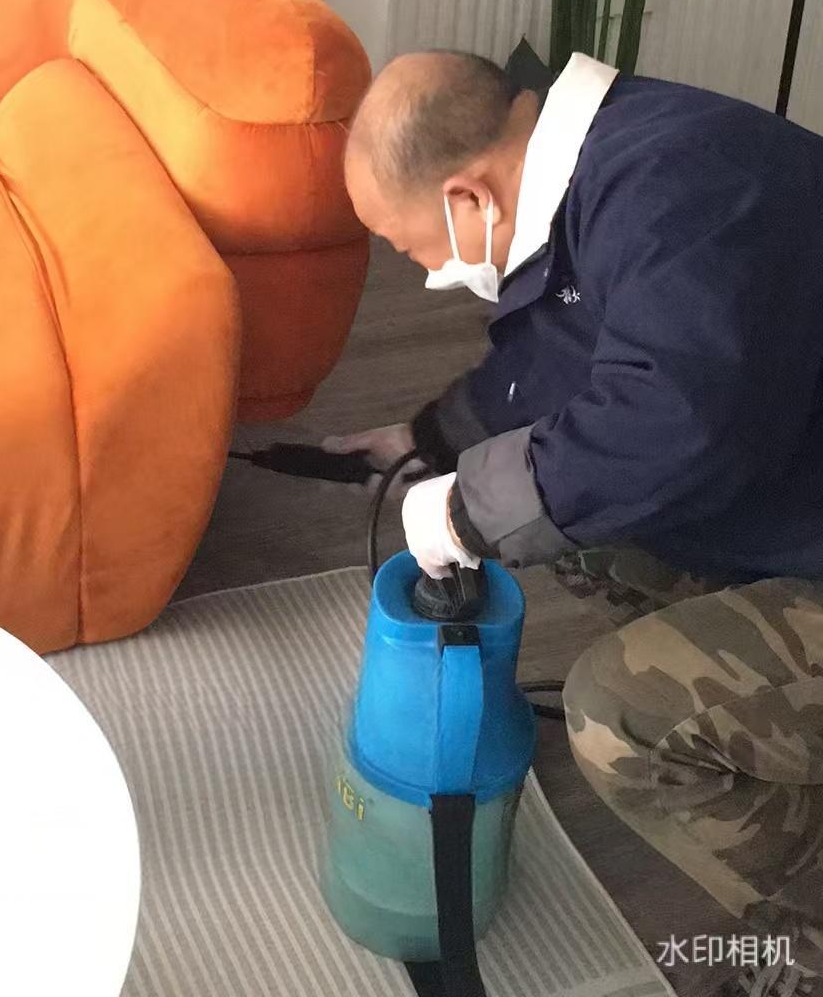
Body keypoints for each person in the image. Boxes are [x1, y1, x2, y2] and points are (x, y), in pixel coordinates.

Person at [328, 48, 823, 997]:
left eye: (409, 248)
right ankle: (764, 719)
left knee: (622, 713)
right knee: (577, 536)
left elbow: (675, 421)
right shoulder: (609, 172)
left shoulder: (683, 189)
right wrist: (426, 443)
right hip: (794, 482)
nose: (424, 270)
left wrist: (467, 510)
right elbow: (559, 360)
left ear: (468, 199)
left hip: (788, 501)